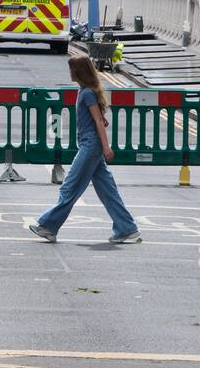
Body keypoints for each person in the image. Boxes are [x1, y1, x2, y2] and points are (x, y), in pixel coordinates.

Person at [29, 55, 140, 244]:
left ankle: (48, 226)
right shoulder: (86, 91)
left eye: (71, 69)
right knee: (107, 190)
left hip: (91, 146)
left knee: (70, 186)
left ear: (78, 72)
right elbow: (97, 118)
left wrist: (106, 147)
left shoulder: (87, 93)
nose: (69, 72)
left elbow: (97, 121)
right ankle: (126, 228)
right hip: (90, 144)